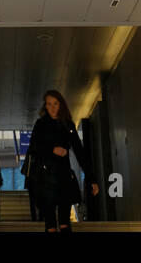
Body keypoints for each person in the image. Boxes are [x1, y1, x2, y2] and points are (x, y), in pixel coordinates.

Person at [27, 89, 99, 233]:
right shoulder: (40, 124)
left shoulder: (68, 124)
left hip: (63, 177)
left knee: (65, 223)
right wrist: (52, 149)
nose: (52, 107)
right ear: (45, 106)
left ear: (61, 105)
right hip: (45, 178)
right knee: (50, 225)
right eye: (49, 104)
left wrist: (91, 179)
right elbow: (33, 148)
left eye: (55, 103)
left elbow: (80, 152)